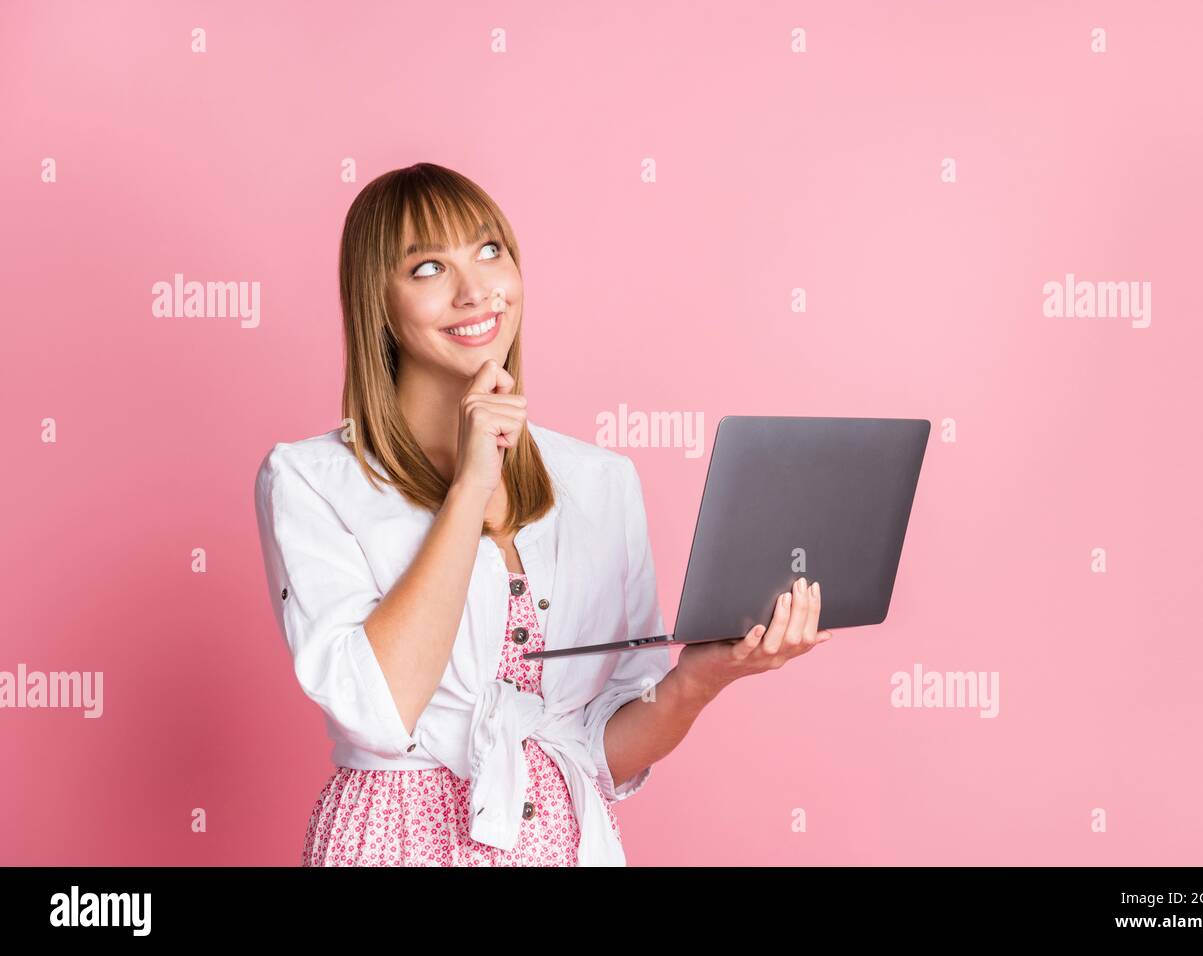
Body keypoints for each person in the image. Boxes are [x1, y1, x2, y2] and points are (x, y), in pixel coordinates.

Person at [252, 162, 833, 866]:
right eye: (429, 266)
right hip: (396, 845)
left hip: (561, 843)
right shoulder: (312, 480)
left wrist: (702, 677)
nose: (476, 290)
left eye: (490, 250)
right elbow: (378, 709)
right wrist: (470, 486)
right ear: (377, 301)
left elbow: (603, 752)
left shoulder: (601, 480)